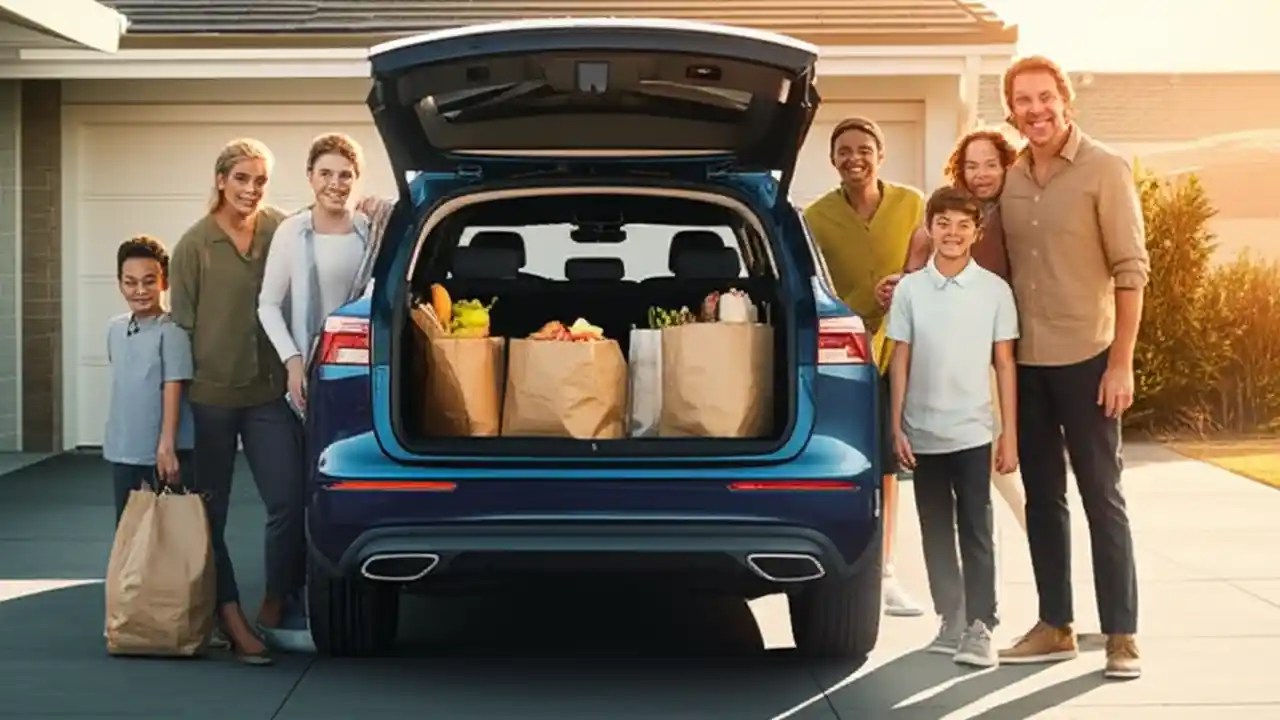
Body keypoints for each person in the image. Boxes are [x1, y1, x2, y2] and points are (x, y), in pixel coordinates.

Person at [993, 55, 1148, 681]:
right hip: (1026, 363)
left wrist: (1121, 363)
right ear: (1011, 111)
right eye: (1022, 101)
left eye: (1044, 97)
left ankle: (1122, 635)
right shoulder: (1009, 178)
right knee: (1043, 501)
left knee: (1102, 498)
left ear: (1065, 100)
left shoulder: (1105, 169)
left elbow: (1131, 271)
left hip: (1088, 359)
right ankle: (1055, 625)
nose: (1035, 110)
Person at [169, 138, 300, 666]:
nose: (251, 189)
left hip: (268, 393)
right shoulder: (194, 245)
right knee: (211, 512)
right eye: (241, 178)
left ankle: (275, 599)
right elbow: (180, 333)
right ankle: (229, 615)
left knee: (289, 500)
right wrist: (170, 425)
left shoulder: (282, 230)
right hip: (211, 400)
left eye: (260, 180)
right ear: (221, 180)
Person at [885, 186, 1019, 668]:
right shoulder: (910, 290)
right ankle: (951, 617)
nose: (953, 233)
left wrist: (1009, 434)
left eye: (964, 225)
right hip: (922, 432)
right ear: (929, 228)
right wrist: (896, 424)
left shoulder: (994, 291)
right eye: (943, 223)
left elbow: (1004, 364)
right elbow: (901, 358)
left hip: (973, 432)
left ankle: (982, 625)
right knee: (935, 530)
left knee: (976, 529)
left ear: (976, 232)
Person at [874, 129, 1029, 533]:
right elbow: (914, 281)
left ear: (1007, 166)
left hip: (997, 350)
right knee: (977, 474)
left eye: (991, 164)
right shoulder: (940, 221)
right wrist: (895, 286)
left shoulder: (1016, 213)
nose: (981, 174)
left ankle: (1034, 539)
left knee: (1001, 466)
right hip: (951, 361)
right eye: (971, 165)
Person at [803, 116, 925, 617]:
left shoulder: (913, 204)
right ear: (833, 160)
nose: (855, 158)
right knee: (867, 461)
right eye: (844, 151)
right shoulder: (816, 217)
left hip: (907, 347)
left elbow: (937, 262)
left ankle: (888, 570)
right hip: (849, 353)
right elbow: (813, 287)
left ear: (881, 155)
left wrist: (905, 282)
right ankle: (868, 566)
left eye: (864, 149)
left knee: (895, 464)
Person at [258, 133, 378, 417]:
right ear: (310, 176)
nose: (335, 184)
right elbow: (268, 305)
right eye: (325, 174)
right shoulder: (292, 231)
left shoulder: (371, 232)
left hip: (361, 365)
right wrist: (293, 361)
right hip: (308, 366)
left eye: (345, 175)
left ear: (356, 180)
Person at [104, 235, 197, 523]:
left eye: (149, 281)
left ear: (164, 282)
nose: (140, 290)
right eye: (130, 282)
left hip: (162, 454)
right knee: (128, 531)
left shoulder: (172, 332)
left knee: (167, 532)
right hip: (124, 449)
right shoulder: (115, 329)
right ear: (120, 284)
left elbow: (173, 388)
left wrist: (167, 446)